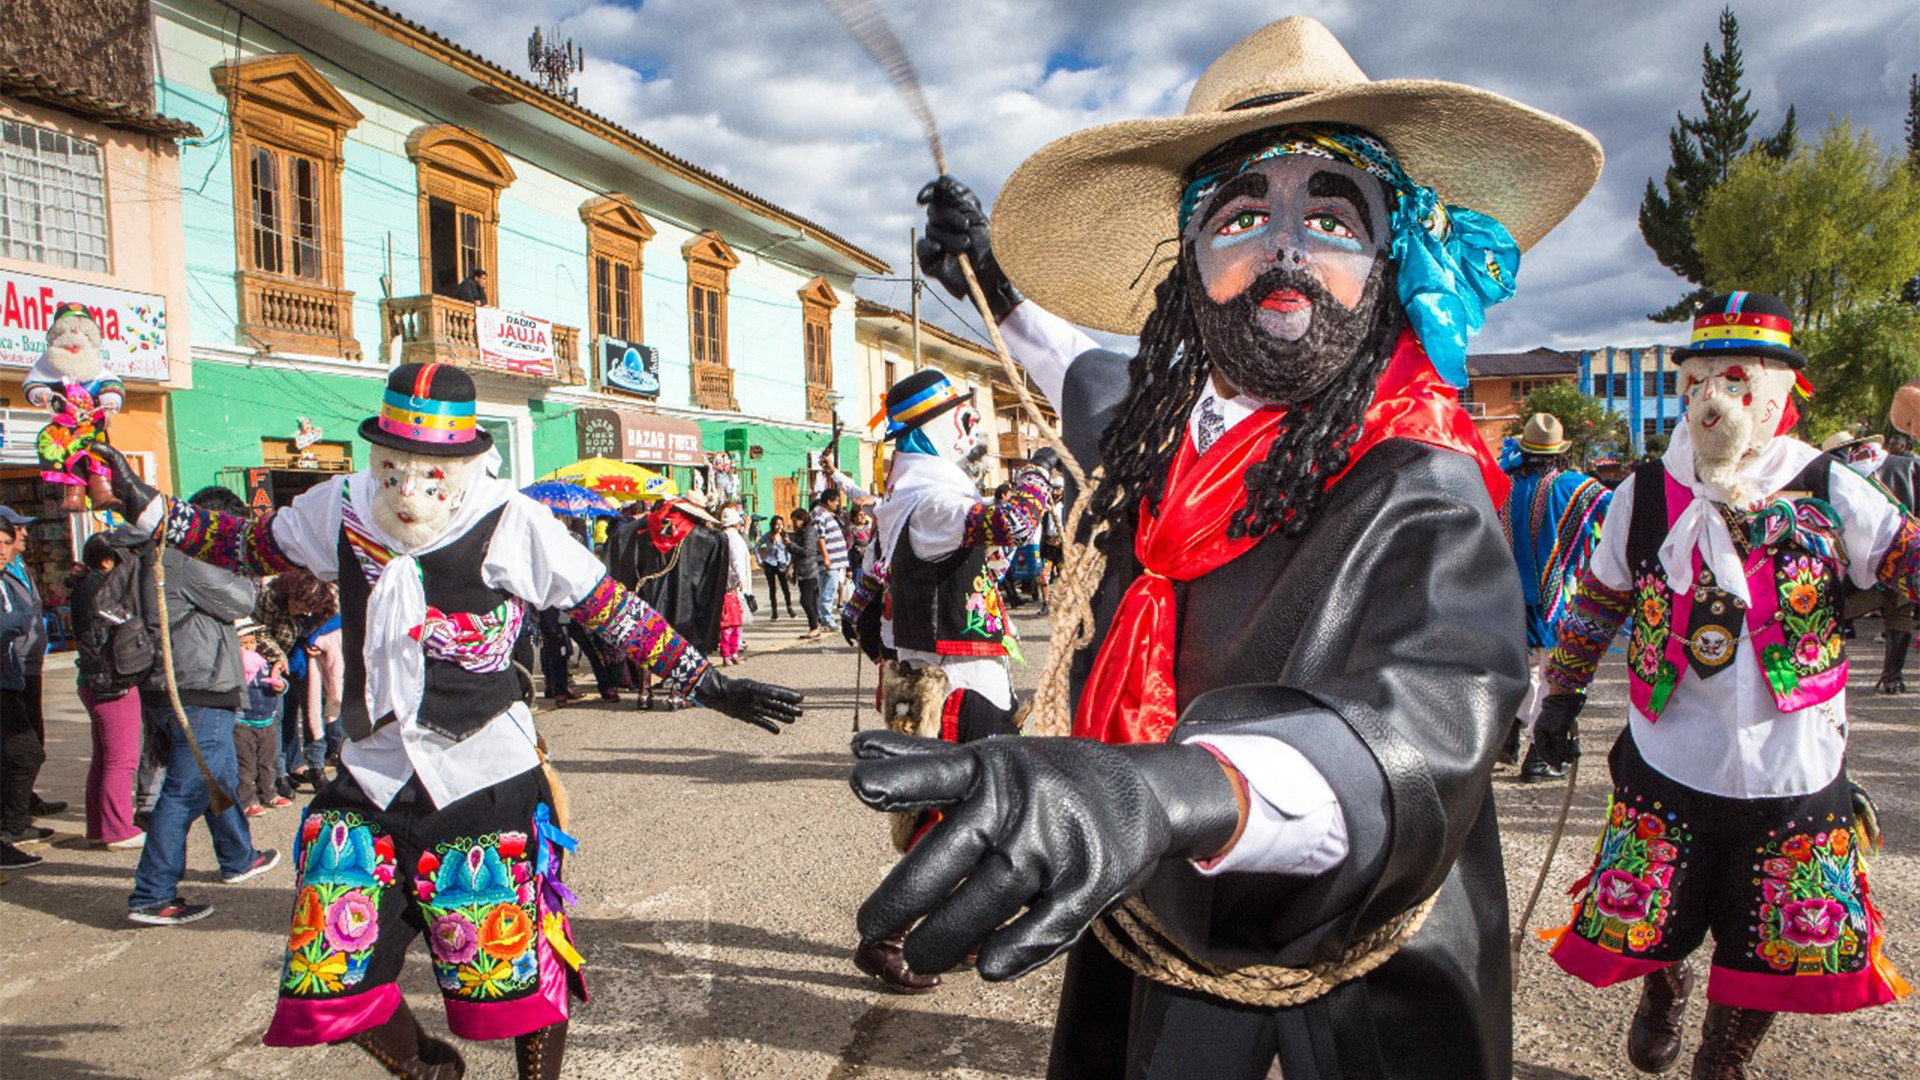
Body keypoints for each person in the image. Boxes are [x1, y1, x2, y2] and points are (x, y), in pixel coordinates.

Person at [855, 17, 1602, 1079]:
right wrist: (988, 277)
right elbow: (1082, 375)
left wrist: (1168, 793)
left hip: (1367, 965)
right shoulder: (1156, 425)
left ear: (1390, 257)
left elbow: (1432, 715)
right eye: (1245, 213)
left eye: (1332, 217)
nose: (1287, 244)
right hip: (1158, 924)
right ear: (1190, 264)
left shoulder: (1422, 473)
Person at [93, 361, 803, 1080]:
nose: (408, 489)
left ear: (469, 459)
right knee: (325, 975)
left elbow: (606, 606)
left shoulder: (510, 519)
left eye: (433, 470)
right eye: (394, 466)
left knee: (510, 978)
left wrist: (707, 681)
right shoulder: (340, 504)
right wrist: (141, 502)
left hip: (482, 775)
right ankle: (429, 1066)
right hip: (371, 776)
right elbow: (246, 544)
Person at [1538, 292, 1916, 1079]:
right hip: (1669, 749)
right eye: (1701, 380)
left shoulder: (1828, 484)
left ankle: (1724, 1055)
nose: (1715, 401)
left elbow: (1907, 557)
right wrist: (1562, 695)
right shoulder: (1644, 490)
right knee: (1650, 913)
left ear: (1779, 395)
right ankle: (1663, 989)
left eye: (1738, 381)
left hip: (1794, 760)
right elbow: (1598, 600)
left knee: (1777, 936)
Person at [842, 368, 1050, 993]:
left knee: (976, 809)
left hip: (959, 672)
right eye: (963, 416)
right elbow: (1007, 523)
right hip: (953, 680)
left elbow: (879, 589)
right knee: (963, 816)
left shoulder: (911, 498)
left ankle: (954, 927)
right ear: (933, 426)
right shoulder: (932, 501)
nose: (973, 428)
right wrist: (1039, 473)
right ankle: (887, 936)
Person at [124, 485, 279, 925]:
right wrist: (239, 563)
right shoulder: (183, 558)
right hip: (196, 689)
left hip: (189, 685)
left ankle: (238, 856)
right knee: (186, 790)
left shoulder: (162, 557)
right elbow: (242, 600)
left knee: (221, 778)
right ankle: (152, 894)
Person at [1498, 413, 1611, 779]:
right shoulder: (1574, 487)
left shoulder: (1504, 486)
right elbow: (1616, 511)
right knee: (1553, 671)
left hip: (1510, 594)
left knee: (1525, 667)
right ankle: (1540, 753)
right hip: (1555, 597)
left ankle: (1509, 736)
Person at [1822, 429, 1920, 694]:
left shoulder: (1847, 478)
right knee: (1899, 612)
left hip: (1870, 561)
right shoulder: (1909, 465)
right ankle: (1892, 678)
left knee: (1834, 612)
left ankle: (1828, 674)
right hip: (1910, 553)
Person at [70, 529, 149, 848]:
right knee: (121, 759)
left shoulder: (86, 586)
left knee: (105, 758)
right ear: (107, 561)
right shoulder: (102, 591)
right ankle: (117, 828)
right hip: (111, 683)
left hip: (94, 682)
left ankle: (99, 826)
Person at [234, 619, 288, 815]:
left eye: (252, 642)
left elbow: (277, 683)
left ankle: (269, 793)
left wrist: (279, 684)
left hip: (266, 718)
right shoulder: (234, 666)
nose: (249, 647)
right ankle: (247, 800)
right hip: (243, 721)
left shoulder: (262, 662)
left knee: (267, 761)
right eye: (243, 643)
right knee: (246, 765)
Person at [718, 505, 753, 665]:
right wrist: (741, 581)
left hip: (723, 584)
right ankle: (730, 652)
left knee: (729, 623)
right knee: (731, 622)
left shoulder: (721, 536)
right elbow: (737, 561)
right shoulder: (734, 539)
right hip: (732, 585)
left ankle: (731, 652)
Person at [813, 488, 850, 631]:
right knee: (828, 590)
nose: (837, 505)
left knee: (830, 589)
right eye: (836, 502)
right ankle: (827, 620)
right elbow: (820, 537)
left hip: (835, 560)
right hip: (830, 561)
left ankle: (825, 618)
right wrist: (826, 557)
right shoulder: (818, 515)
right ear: (829, 501)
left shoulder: (826, 514)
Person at [788, 507, 823, 638]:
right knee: (810, 600)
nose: (793, 524)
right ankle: (816, 624)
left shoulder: (810, 531)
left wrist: (790, 545)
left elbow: (807, 551)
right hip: (801, 571)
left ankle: (814, 626)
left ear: (802, 520)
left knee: (806, 600)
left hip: (810, 571)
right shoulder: (798, 532)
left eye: (795, 521)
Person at [756, 514, 795, 620]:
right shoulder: (767, 536)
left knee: (785, 588)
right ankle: (774, 611)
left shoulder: (784, 536)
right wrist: (759, 560)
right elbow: (757, 546)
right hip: (770, 563)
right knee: (772, 588)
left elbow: (788, 549)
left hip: (782, 564)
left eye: (781, 524)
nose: (779, 527)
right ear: (772, 525)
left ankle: (790, 608)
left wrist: (788, 561)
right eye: (777, 525)